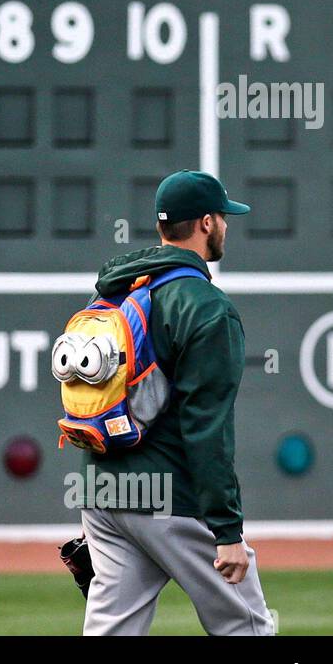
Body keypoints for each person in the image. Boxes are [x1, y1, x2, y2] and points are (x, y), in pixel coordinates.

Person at [79, 169, 275, 636]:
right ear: (206, 223)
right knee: (246, 628)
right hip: (172, 497)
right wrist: (227, 532)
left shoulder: (115, 290)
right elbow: (206, 428)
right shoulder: (207, 307)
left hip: (104, 492)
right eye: (224, 218)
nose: (226, 226)